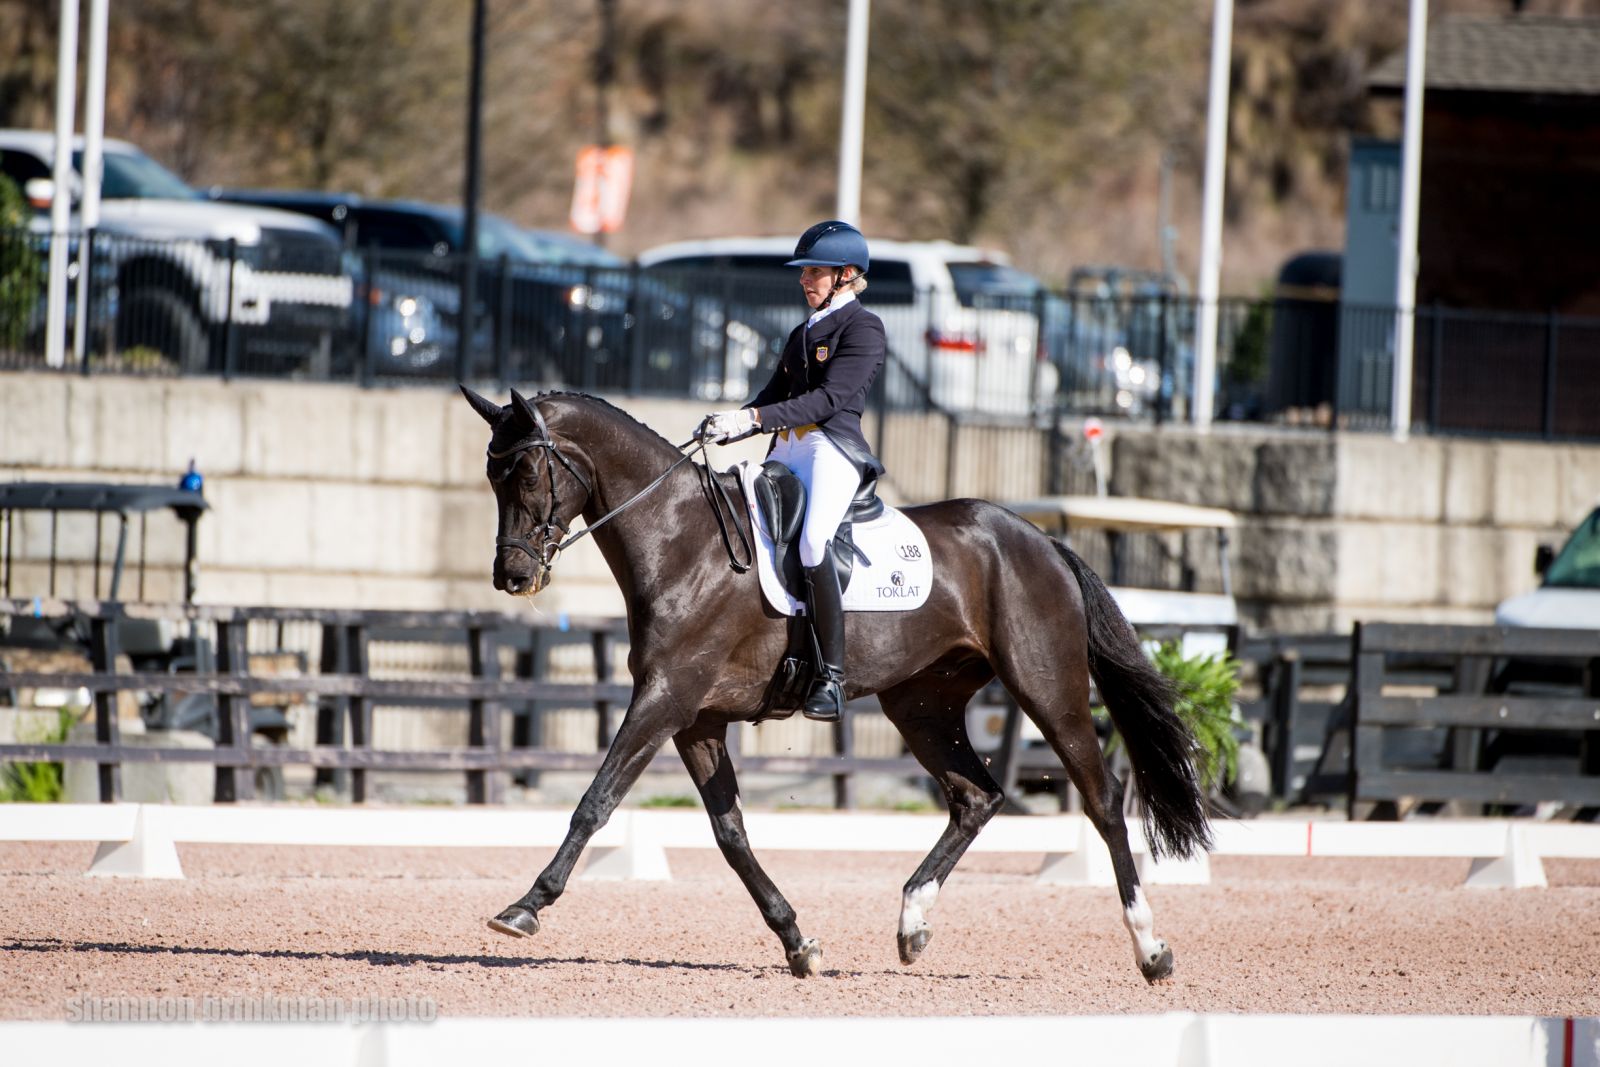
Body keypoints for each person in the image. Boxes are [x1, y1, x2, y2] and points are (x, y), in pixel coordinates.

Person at [703, 220, 887, 722]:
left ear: (847, 275)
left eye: (815, 272)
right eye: (803, 272)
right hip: (786, 449)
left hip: (831, 448)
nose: (804, 280)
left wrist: (756, 419)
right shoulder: (800, 331)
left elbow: (829, 399)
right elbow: (774, 396)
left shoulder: (863, 328)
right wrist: (731, 424)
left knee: (812, 543)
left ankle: (831, 676)